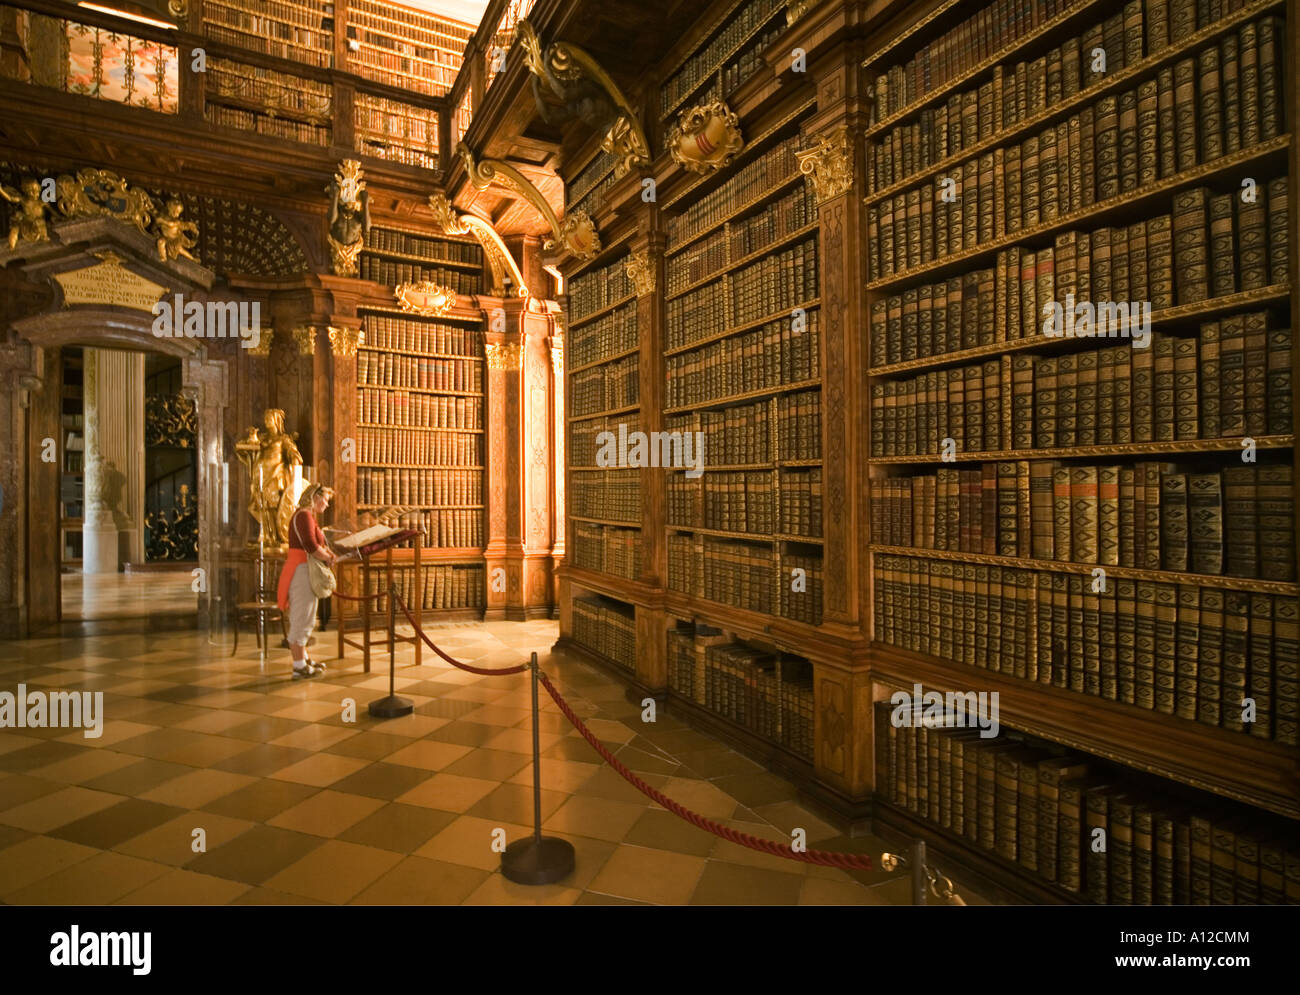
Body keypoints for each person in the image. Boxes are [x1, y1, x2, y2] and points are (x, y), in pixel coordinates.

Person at [277, 483, 336, 678]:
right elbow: (310, 545)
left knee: (307, 615)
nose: (327, 504)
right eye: (325, 500)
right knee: (302, 617)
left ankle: (303, 658)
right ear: (315, 497)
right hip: (301, 570)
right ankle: (299, 666)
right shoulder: (303, 516)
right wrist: (327, 557)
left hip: (304, 569)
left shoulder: (306, 516)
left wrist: (326, 553)